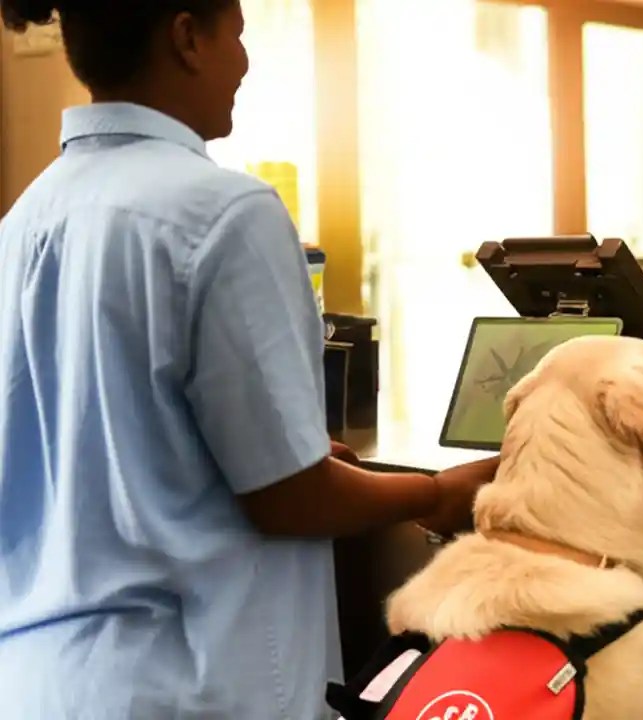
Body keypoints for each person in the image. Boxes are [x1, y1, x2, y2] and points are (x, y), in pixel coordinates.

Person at [0, 2, 497, 717]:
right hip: (186, 686)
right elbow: (289, 498)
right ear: (186, 37)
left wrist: (291, 451)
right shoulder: (223, 211)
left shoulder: (27, 217)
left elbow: (87, 444)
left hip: (40, 684)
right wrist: (436, 492)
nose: (244, 61)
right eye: (237, 33)